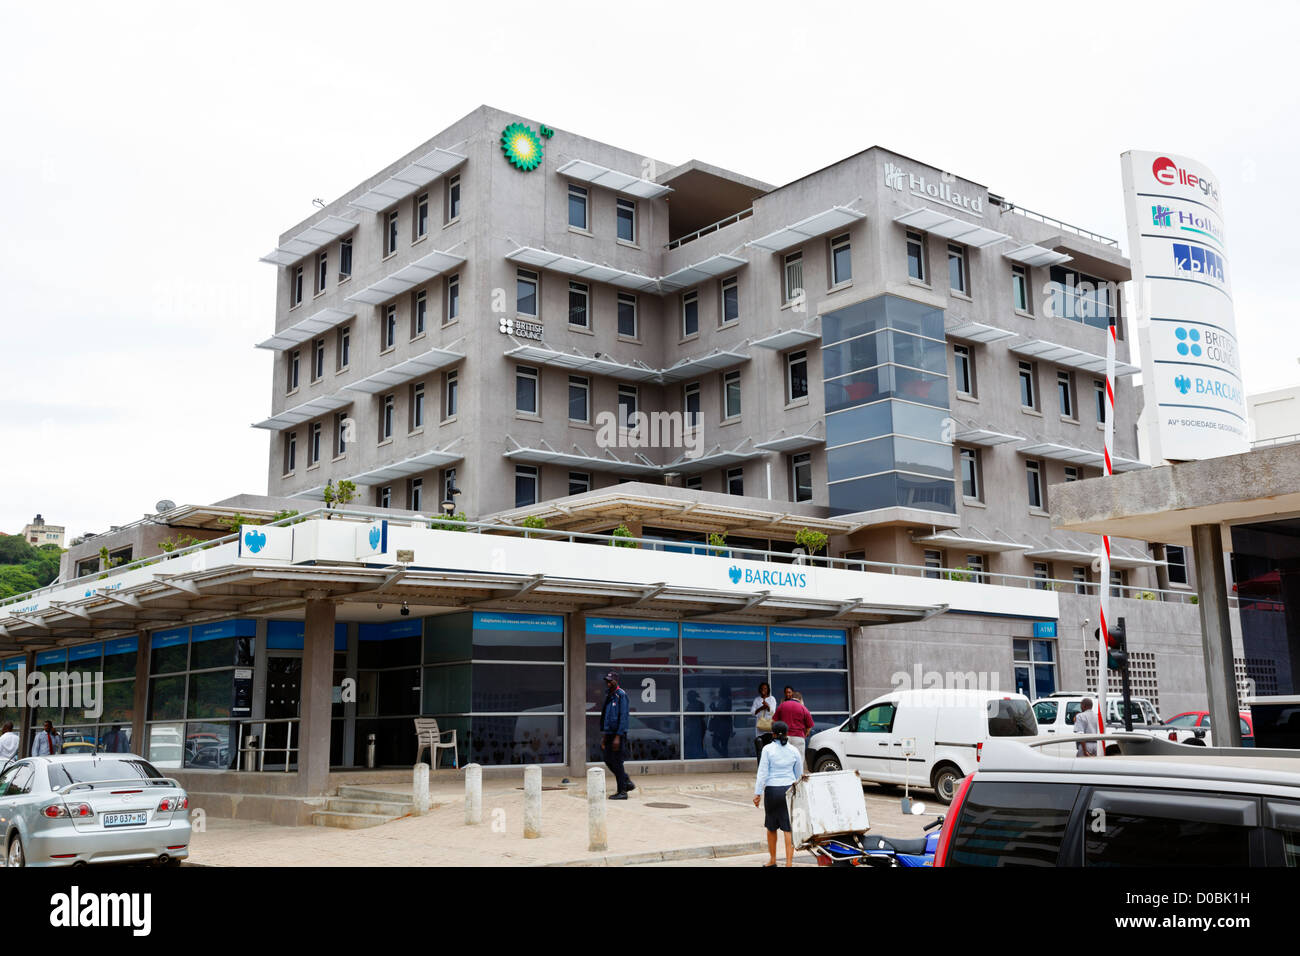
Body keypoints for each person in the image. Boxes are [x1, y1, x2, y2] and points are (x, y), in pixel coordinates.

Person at [753, 720, 804, 866]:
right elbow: (798, 774)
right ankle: (788, 863)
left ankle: (772, 860)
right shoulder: (794, 750)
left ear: (773, 734)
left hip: (772, 791)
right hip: (788, 790)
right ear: (787, 734)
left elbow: (762, 773)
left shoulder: (767, 749)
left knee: (771, 827)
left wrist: (757, 793)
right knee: (788, 828)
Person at [599, 672, 636, 799]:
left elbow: (623, 717)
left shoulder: (621, 695)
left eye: (610, 681)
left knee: (617, 762)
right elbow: (607, 718)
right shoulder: (610, 695)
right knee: (608, 759)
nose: (608, 683)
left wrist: (618, 737)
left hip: (618, 734)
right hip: (609, 733)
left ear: (616, 681)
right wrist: (605, 736)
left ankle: (622, 792)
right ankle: (626, 781)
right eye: (607, 681)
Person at [773, 686, 815, 760]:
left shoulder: (782, 705)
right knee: (799, 760)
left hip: (785, 737)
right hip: (799, 737)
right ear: (800, 699)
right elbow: (809, 726)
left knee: (785, 760)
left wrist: (776, 734)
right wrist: (805, 734)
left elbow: (774, 722)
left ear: (792, 697)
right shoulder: (803, 708)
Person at [751, 682, 777, 761]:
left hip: (769, 729)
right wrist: (761, 708)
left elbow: (773, 711)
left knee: (769, 751)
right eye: (762, 688)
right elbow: (752, 712)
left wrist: (767, 706)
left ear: (768, 689)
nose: (763, 690)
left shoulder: (772, 699)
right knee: (760, 751)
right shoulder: (757, 700)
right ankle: (760, 769)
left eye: (765, 688)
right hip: (760, 730)